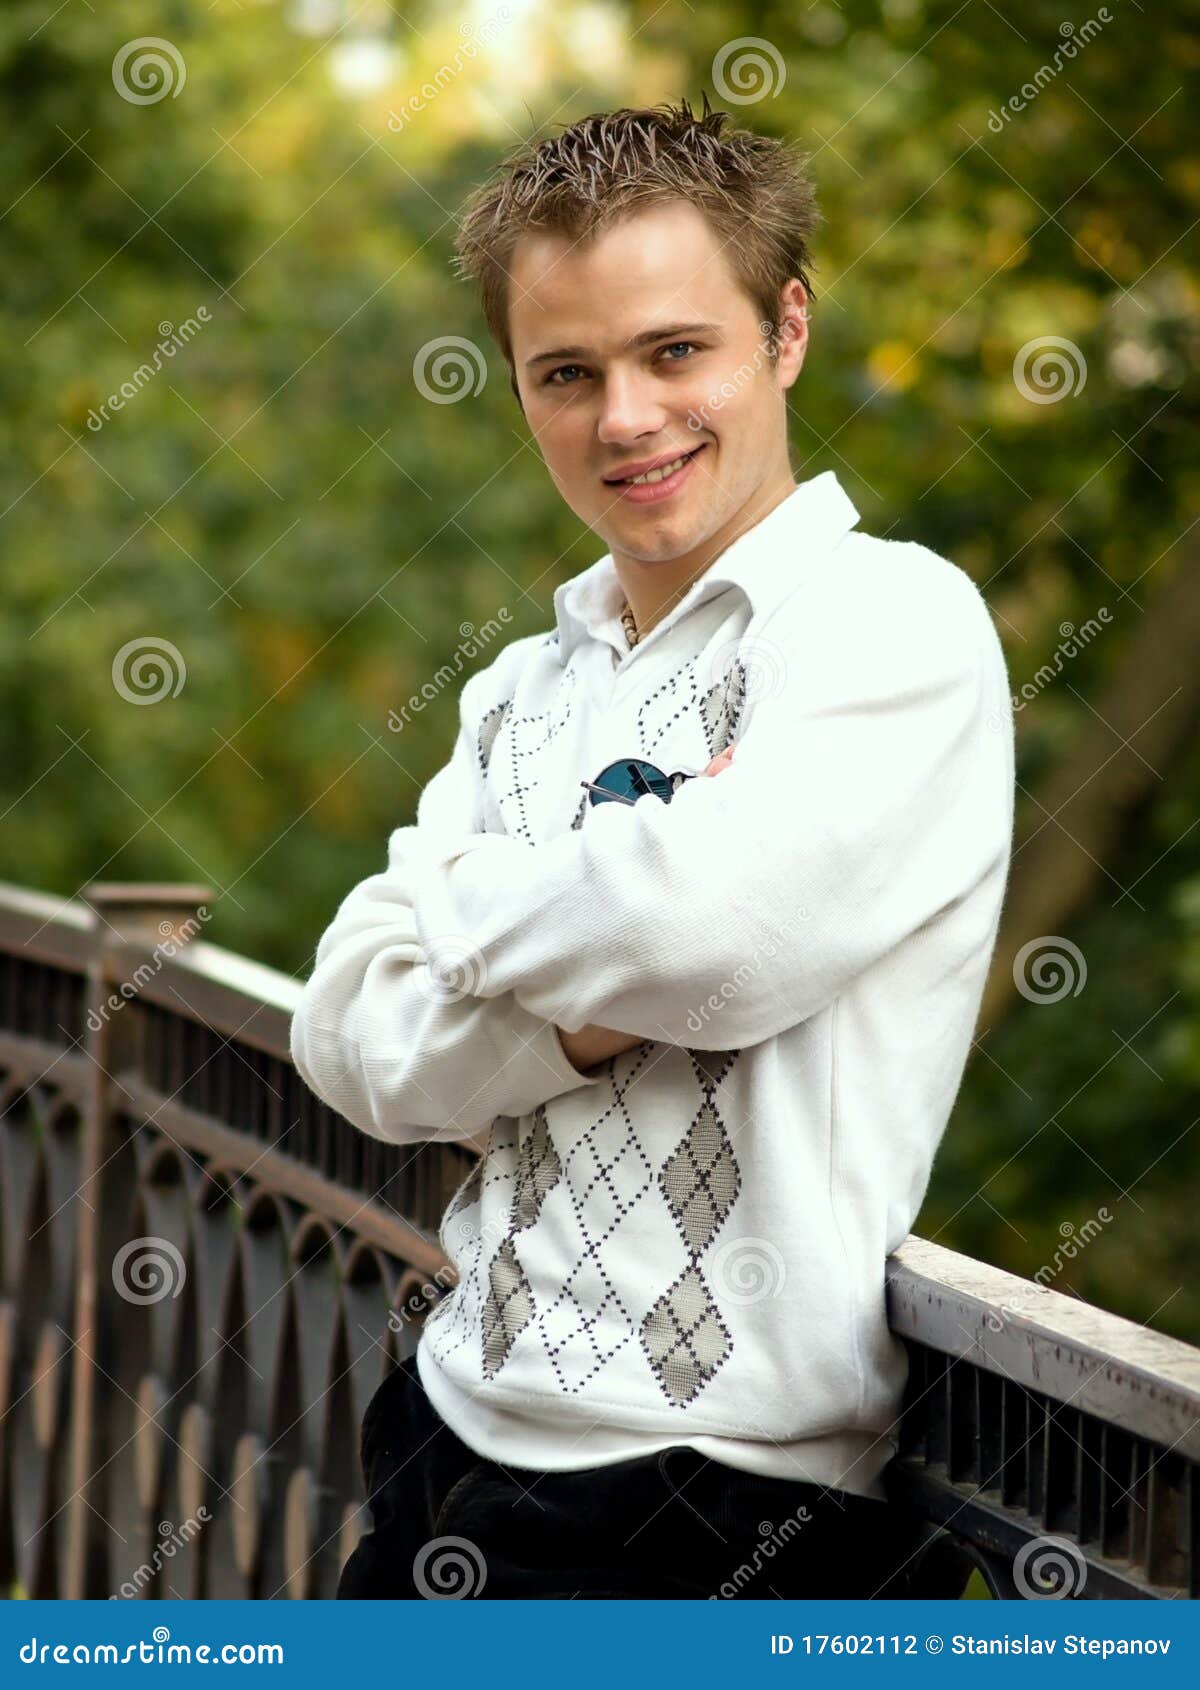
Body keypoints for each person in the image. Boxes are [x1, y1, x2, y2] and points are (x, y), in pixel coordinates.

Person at [289, 95, 1015, 1600]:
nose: (625, 418)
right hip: (442, 1422)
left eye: (675, 351)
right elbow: (349, 1035)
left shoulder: (895, 624)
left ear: (786, 330)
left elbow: (715, 938)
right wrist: (579, 1010)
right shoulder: (520, 686)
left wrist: (468, 900)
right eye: (568, 372)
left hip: (728, 1504)